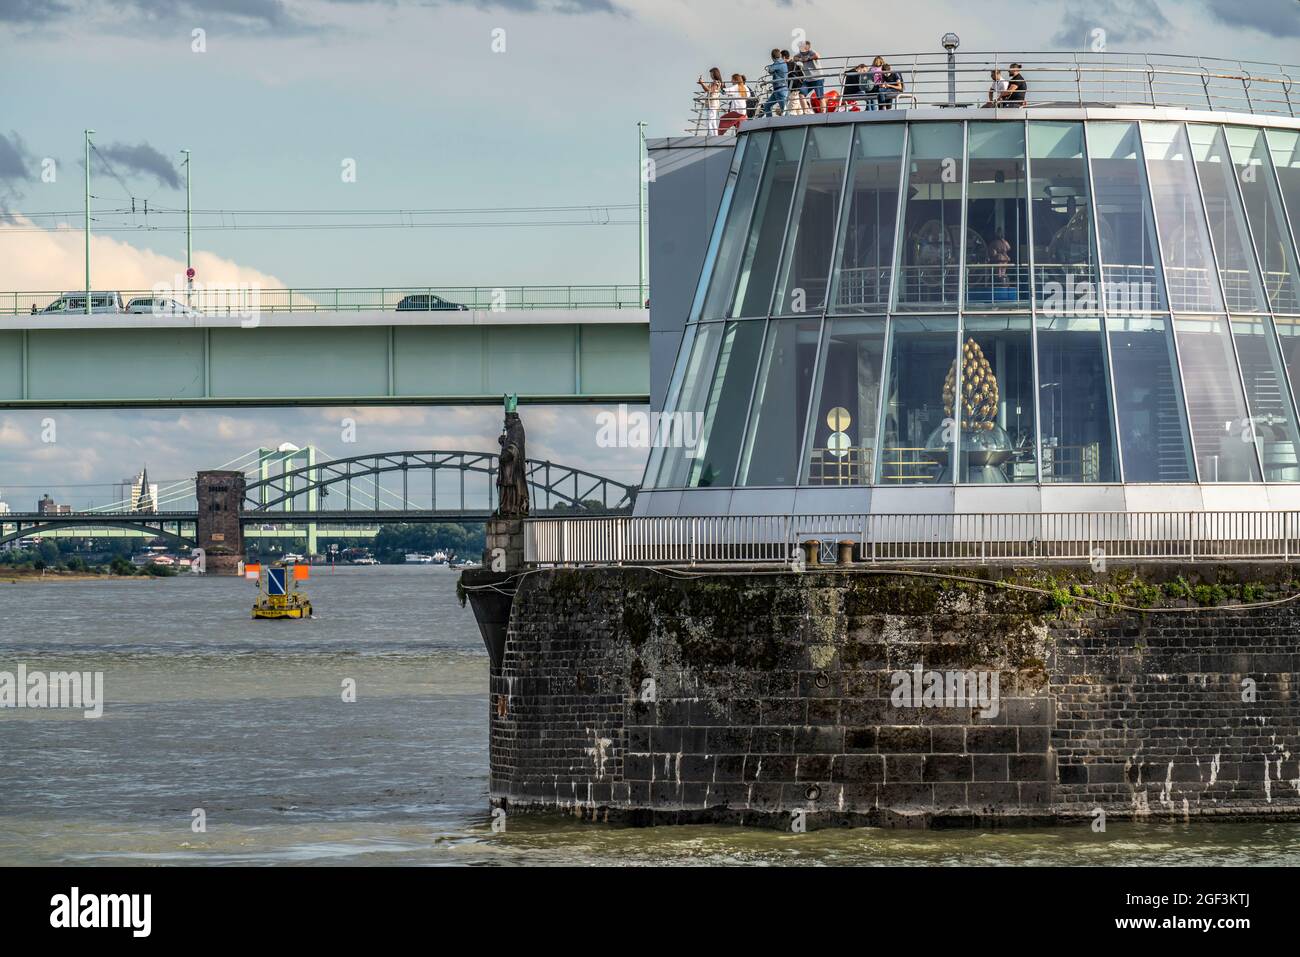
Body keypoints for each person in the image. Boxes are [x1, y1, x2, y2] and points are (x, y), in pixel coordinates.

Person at [795, 40, 824, 108]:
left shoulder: (811, 51)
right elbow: (794, 58)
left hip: (817, 78)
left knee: (820, 97)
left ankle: (824, 113)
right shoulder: (801, 53)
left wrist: (808, 58)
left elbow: (817, 56)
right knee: (801, 94)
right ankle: (806, 111)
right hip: (808, 79)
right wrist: (800, 59)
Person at [761, 48, 789, 116]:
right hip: (778, 90)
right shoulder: (782, 62)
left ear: (772, 57)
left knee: (784, 110)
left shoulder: (778, 63)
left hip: (780, 90)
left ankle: (790, 124)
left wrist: (770, 67)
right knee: (767, 106)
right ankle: (769, 121)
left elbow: (770, 70)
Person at [696, 67, 723, 134]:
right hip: (712, 103)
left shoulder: (716, 82)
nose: (710, 75)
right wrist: (702, 83)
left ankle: (712, 135)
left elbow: (710, 91)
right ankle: (714, 135)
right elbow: (706, 90)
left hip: (712, 103)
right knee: (712, 121)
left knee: (709, 121)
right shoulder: (715, 82)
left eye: (711, 74)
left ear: (715, 74)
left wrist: (702, 83)